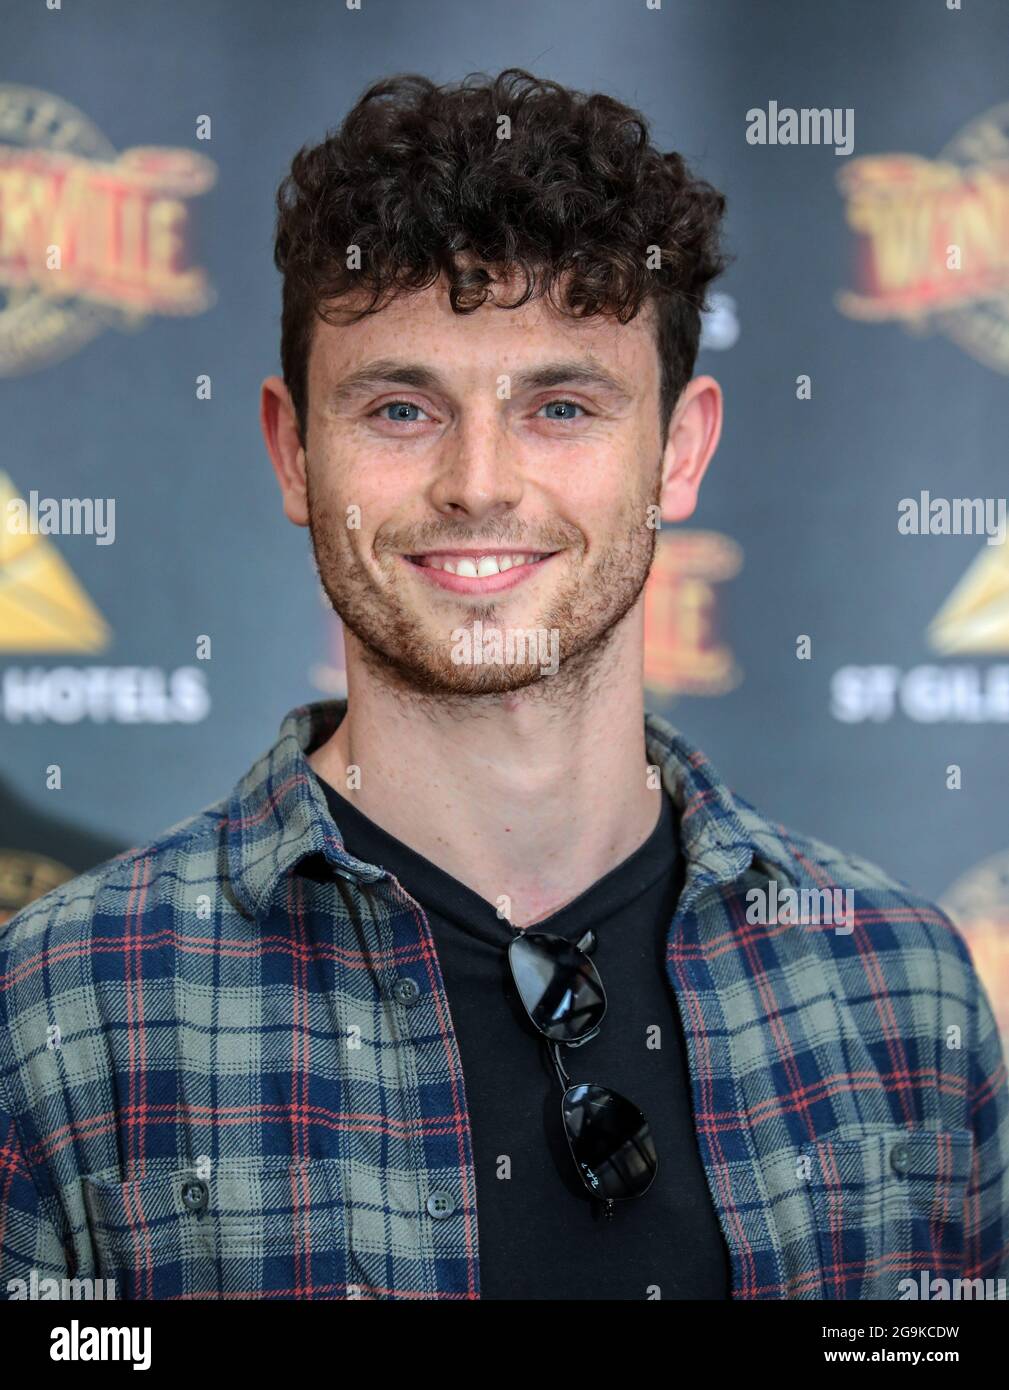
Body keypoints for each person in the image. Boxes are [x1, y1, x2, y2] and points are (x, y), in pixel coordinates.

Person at [2, 70, 1006, 1302]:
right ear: (292, 451)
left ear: (678, 452)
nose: (479, 483)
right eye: (403, 406)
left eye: (563, 404)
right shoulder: (64, 1005)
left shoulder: (900, 983)